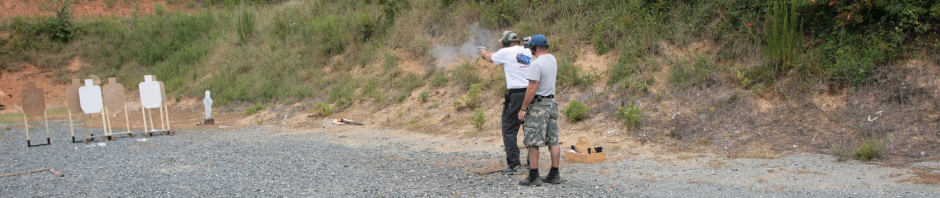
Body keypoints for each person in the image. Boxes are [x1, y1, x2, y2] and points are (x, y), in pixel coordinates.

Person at [479, 31, 533, 175]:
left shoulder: (505, 52)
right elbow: (507, 55)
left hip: (516, 96)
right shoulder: (527, 51)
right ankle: (531, 162)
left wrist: (484, 53)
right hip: (531, 93)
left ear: (506, 42)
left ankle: (514, 164)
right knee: (529, 127)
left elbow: (490, 58)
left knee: (509, 129)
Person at [517, 34, 561, 186]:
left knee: (532, 140)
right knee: (553, 140)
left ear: (534, 48)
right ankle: (554, 173)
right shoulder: (552, 59)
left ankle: (534, 175)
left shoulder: (536, 65)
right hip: (551, 103)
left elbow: (531, 88)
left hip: (539, 105)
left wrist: (523, 108)